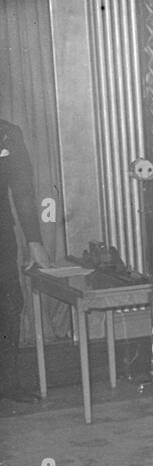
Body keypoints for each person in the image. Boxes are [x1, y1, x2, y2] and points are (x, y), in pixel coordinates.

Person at [0, 113, 50, 403]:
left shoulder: (8, 133)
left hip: (1, 237)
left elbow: (23, 192)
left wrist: (34, 240)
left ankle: (9, 384)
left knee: (8, 307)